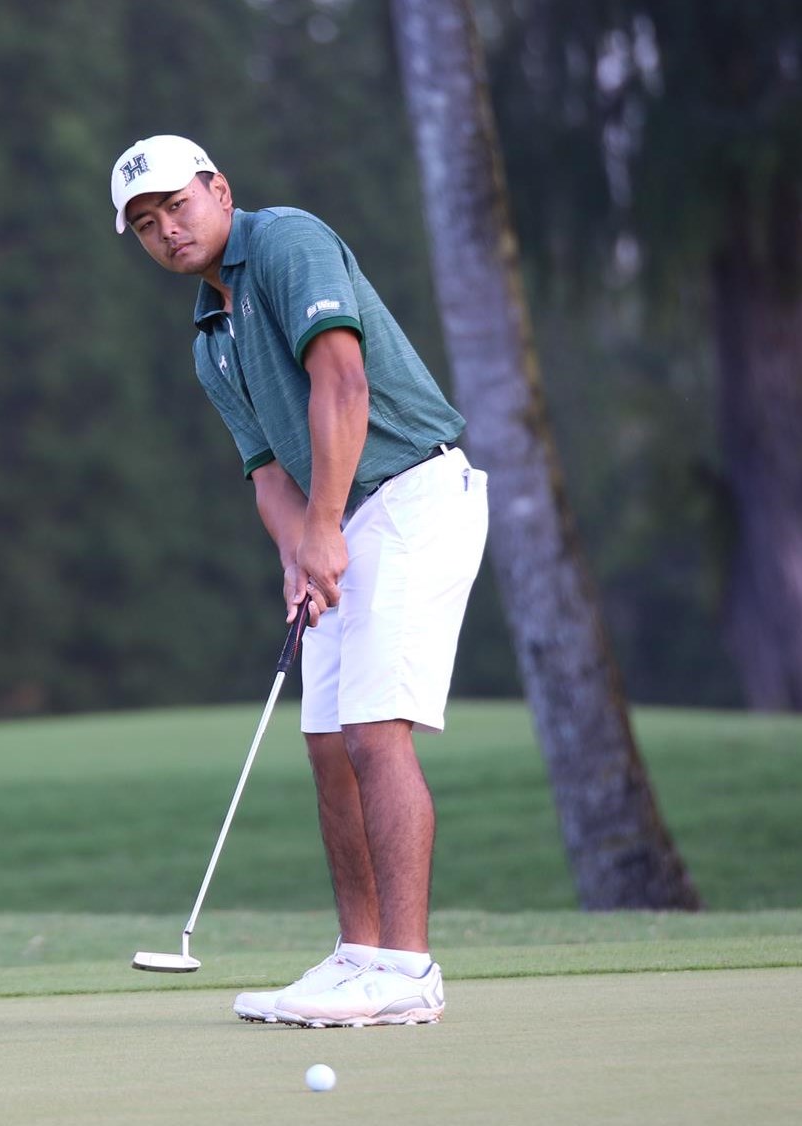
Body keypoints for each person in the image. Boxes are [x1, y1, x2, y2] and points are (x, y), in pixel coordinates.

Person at [109, 135, 489, 1027]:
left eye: (177, 205)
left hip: (412, 493)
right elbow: (267, 475)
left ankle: (406, 967)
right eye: (145, 223)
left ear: (219, 189)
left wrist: (323, 528)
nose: (167, 230)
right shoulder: (210, 339)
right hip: (342, 516)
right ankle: (359, 956)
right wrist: (297, 552)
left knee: (372, 731)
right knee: (326, 741)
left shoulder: (285, 243)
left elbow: (344, 382)